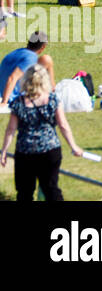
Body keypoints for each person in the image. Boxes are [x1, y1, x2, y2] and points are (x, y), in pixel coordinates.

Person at [0, 65, 83, 201]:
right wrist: (73, 146)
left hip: (25, 151)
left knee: (24, 192)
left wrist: (4, 151)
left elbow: (11, 130)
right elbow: (63, 125)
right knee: (51, 189)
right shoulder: (52, 100)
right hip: (50, 150)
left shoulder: (18, 103)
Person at [1, 31, 55, 105]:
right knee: (47, 59)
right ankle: (53, 91)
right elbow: (12, 78)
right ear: (43, 46)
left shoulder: (17, 52)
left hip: (2, 92)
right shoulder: (31, 57)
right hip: (13, 97)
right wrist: (4, 102)